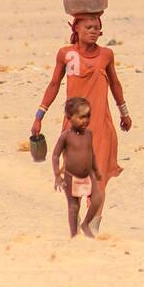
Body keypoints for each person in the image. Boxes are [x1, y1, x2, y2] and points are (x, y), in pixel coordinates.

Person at [33, 13, 131, 234]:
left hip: (101, 126)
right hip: (73, 128)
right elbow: (54, 85)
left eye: (96, 27)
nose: (93, 31)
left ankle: (93, 227)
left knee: (99, 178)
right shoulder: (66, 54)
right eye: (88, 27)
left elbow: (115, 84)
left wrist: (124, 112)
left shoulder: (106, 55)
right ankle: (75, 223)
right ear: (76, 29)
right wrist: (39, 116)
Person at [52, 97, 103, 238]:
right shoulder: (66, 137)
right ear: (69, 118)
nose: (86, 120)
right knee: (74, 207)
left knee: (97, 199)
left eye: (88, 116)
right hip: (71, 176)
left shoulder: (89, 134)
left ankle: (86, 223)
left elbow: (91, 153)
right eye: (81, 117)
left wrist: (97, 170)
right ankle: (74, 235)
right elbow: (55, 155)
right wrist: (57, 175)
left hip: (88, 175)